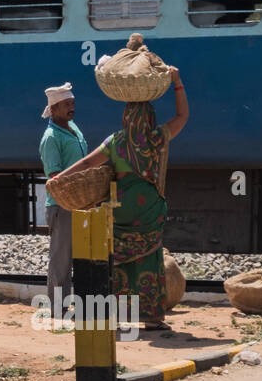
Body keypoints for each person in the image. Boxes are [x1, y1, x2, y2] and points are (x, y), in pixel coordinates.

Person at [57, 66, 189, 330]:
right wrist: (177, 82)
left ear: (126, 117)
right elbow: (182, 115)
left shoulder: (115, 142)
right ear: (150, 118)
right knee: (150, 260)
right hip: (149, 210)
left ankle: (116, 316)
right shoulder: (157, 139)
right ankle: (151, 316)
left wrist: (59, 178)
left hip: (121, 210)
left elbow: (85, 163)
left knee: (117, 263)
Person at [38, 83, 88, 313]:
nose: (72, 108)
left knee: (73, 256)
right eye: (67, 104)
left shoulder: (73, 128)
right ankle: (57, 307)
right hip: (61, 204)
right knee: (61, 258)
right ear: (54, 108)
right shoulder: (50, 137)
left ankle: (68, 302)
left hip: (77, 202)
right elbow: (54, 175)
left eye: (73, 104)